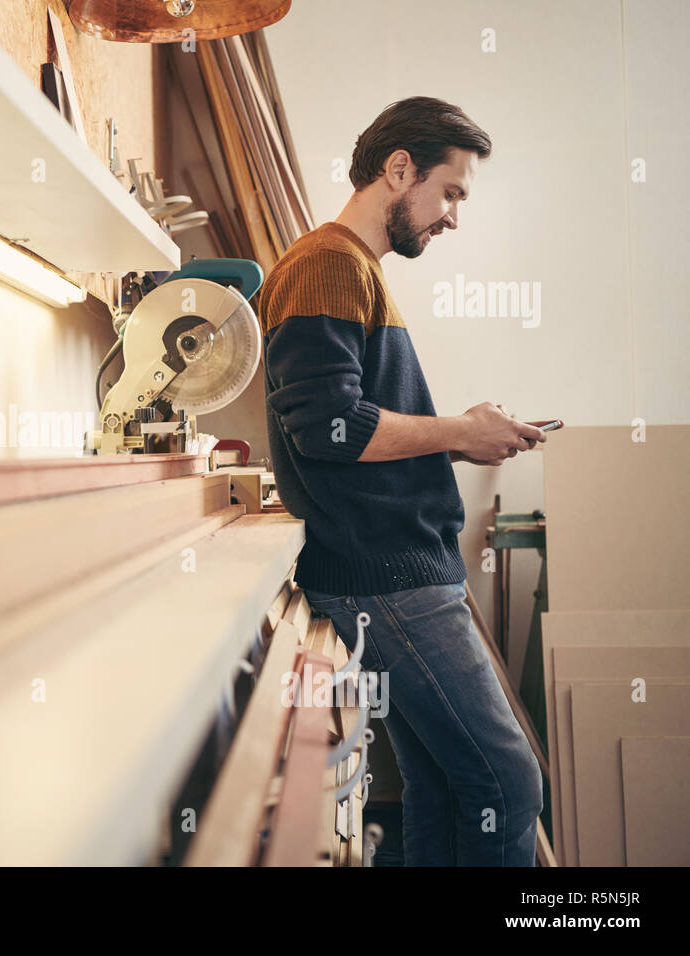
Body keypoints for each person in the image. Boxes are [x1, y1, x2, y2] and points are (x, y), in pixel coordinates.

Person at [258, 96, 545, 866]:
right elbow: (329, 431)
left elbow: (350, 428)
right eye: (450, 192)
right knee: (510, 783)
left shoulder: (349, 270)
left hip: (400, 570)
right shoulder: (325, 266)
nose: (453, 217)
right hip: (388, 577)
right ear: (398, 170)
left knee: (448, 788)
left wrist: (463, 439)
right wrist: (457, 431)